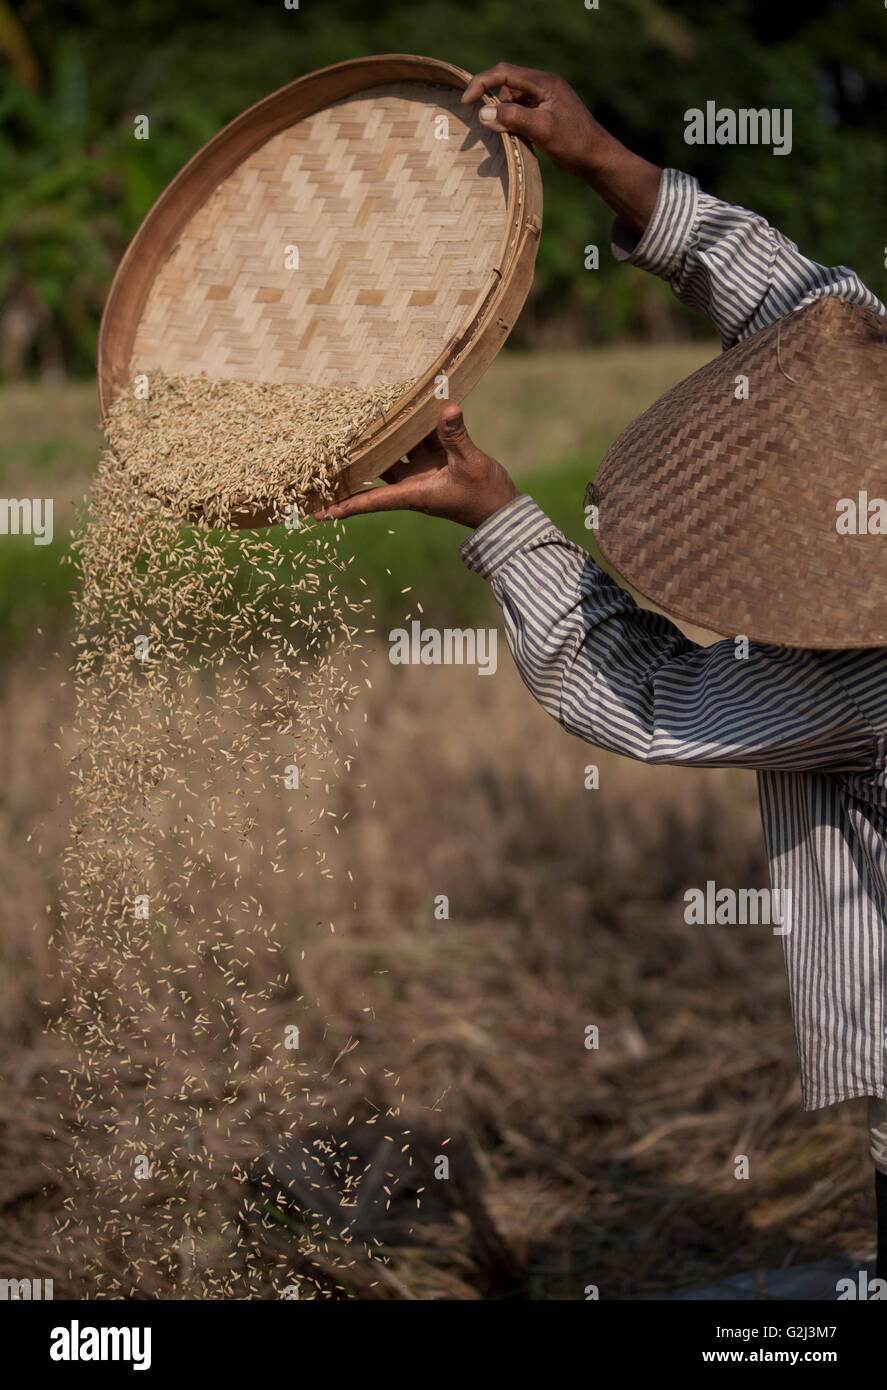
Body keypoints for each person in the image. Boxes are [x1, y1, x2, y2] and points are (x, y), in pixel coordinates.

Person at [315, 63, 887, 1286]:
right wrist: (603, 164)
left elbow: (644, 696)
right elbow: (815, 316)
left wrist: (500, 517)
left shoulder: (861, 673)